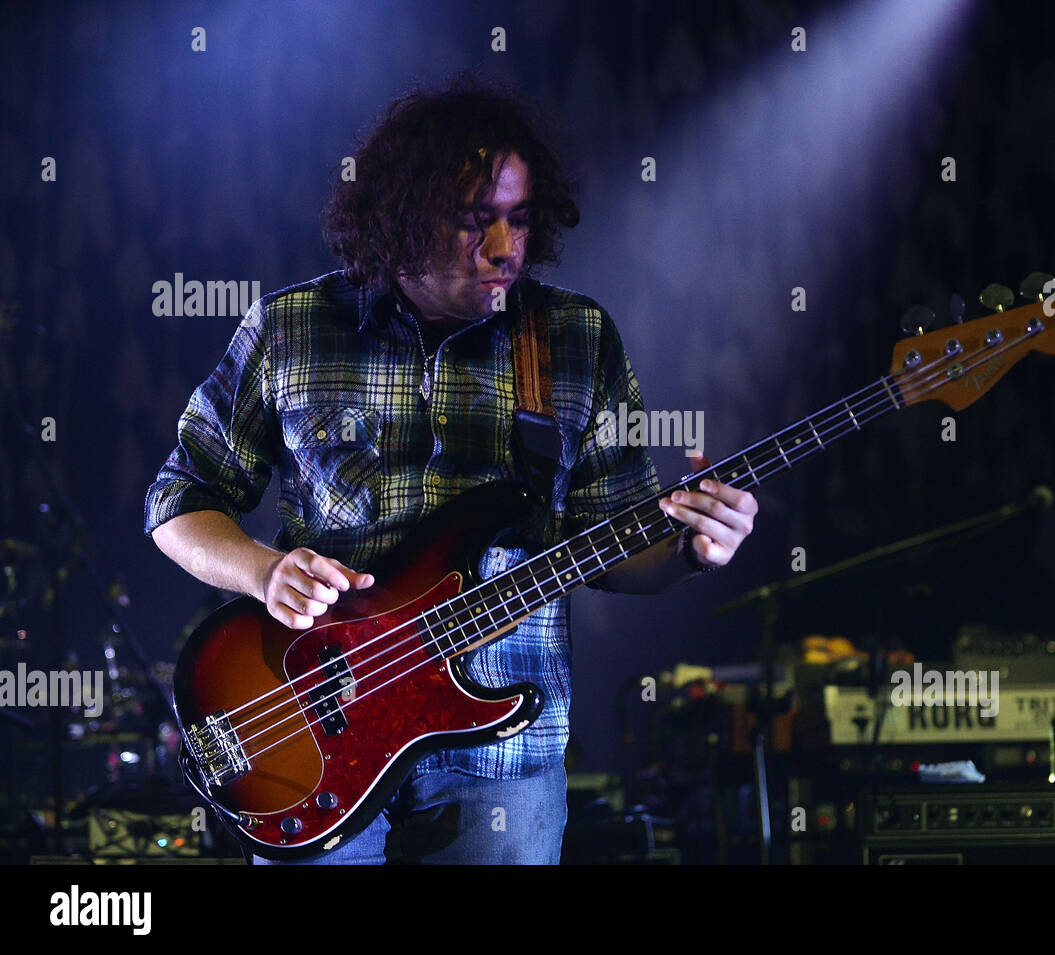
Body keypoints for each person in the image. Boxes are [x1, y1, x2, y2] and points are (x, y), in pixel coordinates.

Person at [143, 79, 757, 864]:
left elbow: (615, 546)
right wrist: (266, 573)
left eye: (520, 219)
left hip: (500, 757)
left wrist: (687, 549)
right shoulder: (294, 327)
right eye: (474, 222)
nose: (505, 247)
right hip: (314, 726)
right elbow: (175, 501)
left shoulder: (571, 338)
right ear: (401, 217)